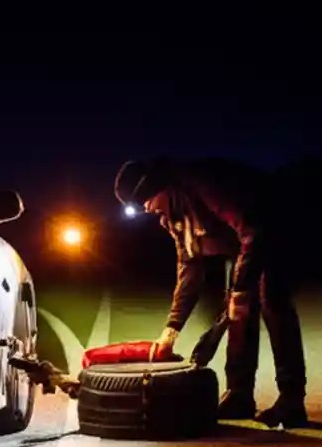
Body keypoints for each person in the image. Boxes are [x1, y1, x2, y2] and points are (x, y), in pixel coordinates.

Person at [114, 157, 309, 428]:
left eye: (144, 201)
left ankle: (291, 401)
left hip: (271, 228)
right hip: (243, 247)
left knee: (272, 301)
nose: (146, 210)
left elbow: (253, 230)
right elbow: (189, 269)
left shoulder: (202, 184)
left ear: (158, 187)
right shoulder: (171, 218)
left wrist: (240, 288)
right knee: (238, 315)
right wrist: (172, 329)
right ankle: (239, 395)